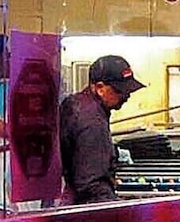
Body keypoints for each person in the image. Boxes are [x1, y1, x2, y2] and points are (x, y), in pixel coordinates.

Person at [59, 55, 145, 204]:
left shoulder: (76, 103)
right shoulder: (92, 121)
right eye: (120, 90)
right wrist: (116, 208)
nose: (127, 95)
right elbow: (92, 184)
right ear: (100, 88)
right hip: (82, 208)